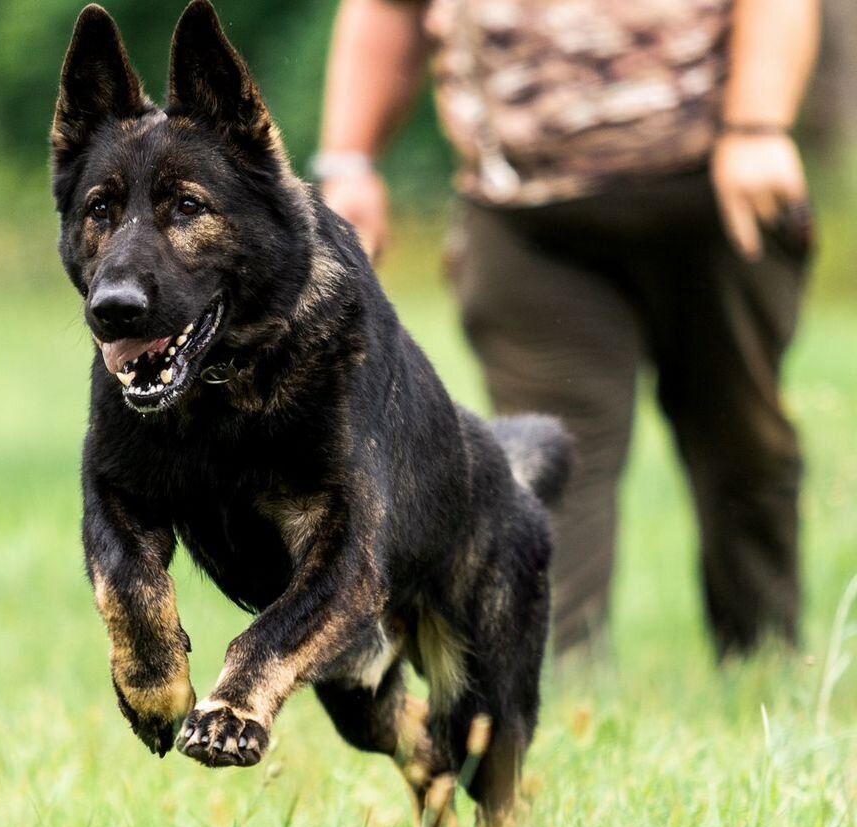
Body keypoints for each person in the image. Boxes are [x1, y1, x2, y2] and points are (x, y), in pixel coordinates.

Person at [315, 0, 820, 658]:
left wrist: (758, 126)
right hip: (527, 222)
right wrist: (350, 161)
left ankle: (768, 665)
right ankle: (561, 703)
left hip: (717, 199)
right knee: (554, 459)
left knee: (742, 444)